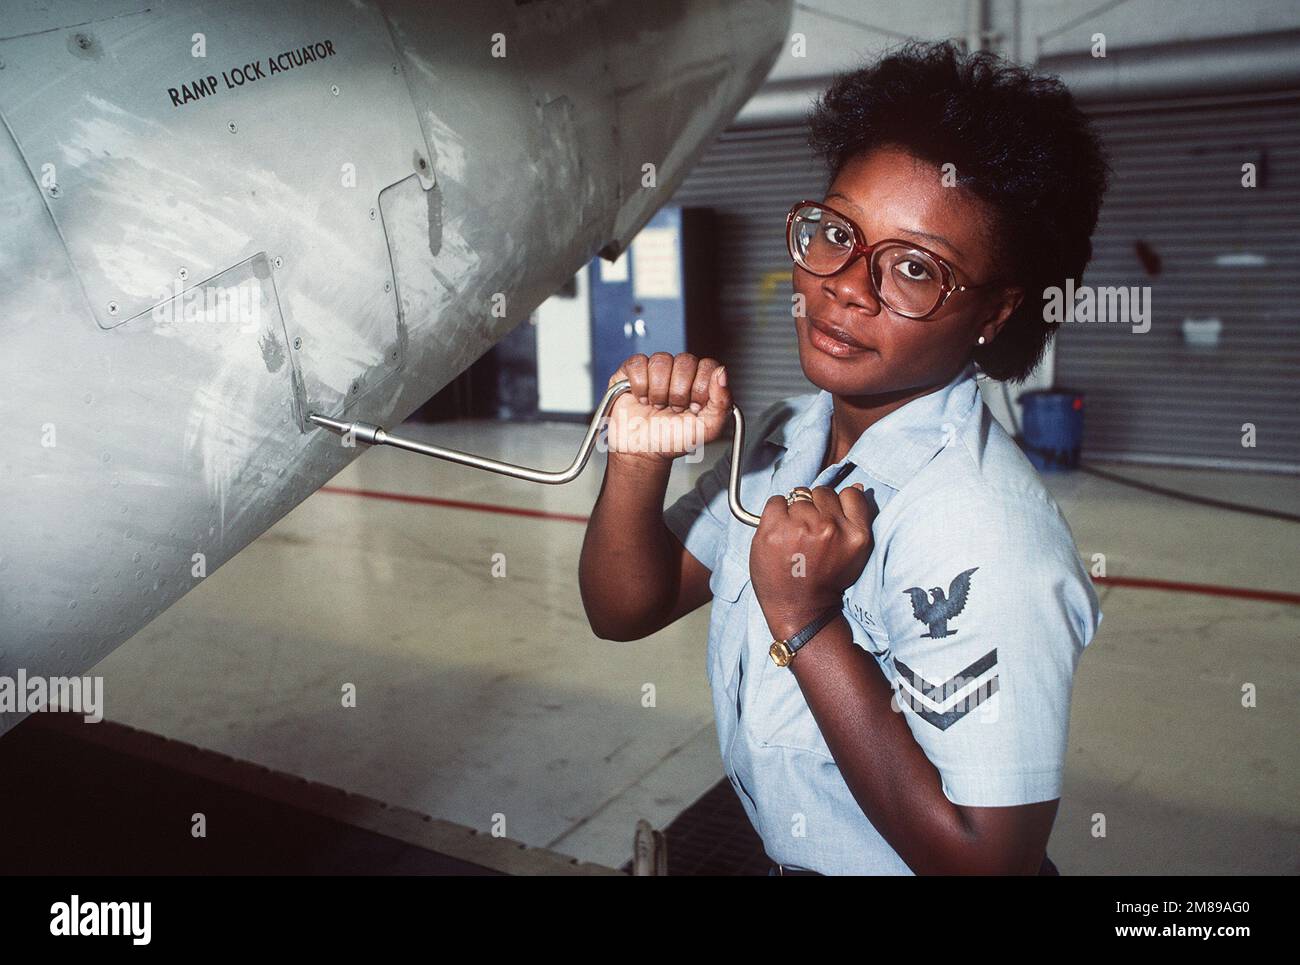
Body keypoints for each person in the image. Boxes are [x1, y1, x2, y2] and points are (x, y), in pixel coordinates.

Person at [578, 39, 1110, 875]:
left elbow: (988, 863)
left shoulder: (982, 529)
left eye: (914, 268)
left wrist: (810, 621)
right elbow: (625, 607)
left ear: (995, 313)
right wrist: (639, 460)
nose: (846, 286)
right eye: (836, 232)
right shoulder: (791, 436)